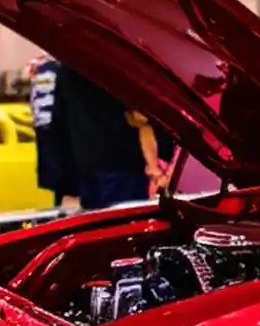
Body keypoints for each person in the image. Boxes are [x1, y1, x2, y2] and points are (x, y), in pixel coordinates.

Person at [54, 64, 161, 210]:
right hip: (123, 164)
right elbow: (140, 118)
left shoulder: (68, 69)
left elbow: (59, 126)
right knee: (125, 222)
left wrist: (66, 185)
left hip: (87, 165)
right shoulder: (116, 66)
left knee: (100, 225)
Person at [29, 56, 78, 207]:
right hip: (68, 147)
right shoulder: (63, 71)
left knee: (62, 198)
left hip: (49, 145)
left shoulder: (40, 72)